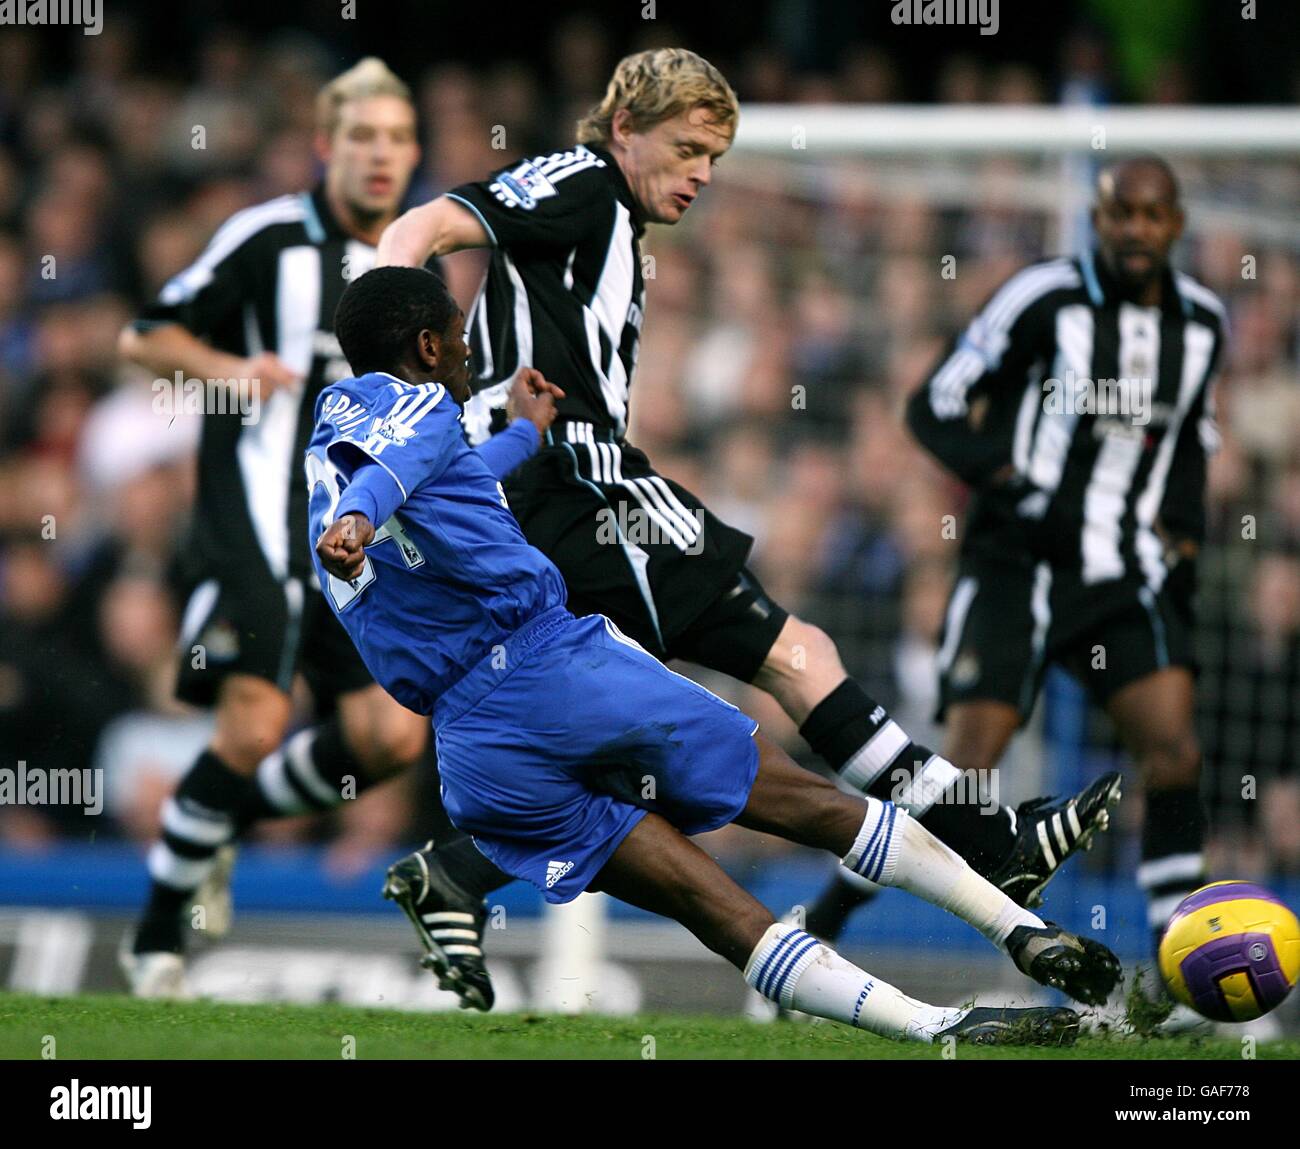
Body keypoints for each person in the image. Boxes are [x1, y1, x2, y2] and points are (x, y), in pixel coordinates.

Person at [373, 48, 1119, 1006]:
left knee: (610, 742)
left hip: (570, 495)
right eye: (686, 150)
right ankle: (993, 845)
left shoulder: (615, 216)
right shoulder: (578, 179)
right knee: (791, 658)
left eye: (715, 159)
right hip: (577, 491)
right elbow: (427, 224)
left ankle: (457, 874)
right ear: (624, 128)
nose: (701, 177)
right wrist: (393, 361)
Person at [308, 264, 1120, 1045]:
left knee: (709, 905)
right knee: (807, 801)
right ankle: (1020, 929)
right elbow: (396, 471)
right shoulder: (405, 411)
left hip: (475, 752)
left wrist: (522, 436)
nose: (468, 354)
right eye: (457, 339)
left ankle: (933, 1027)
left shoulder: (329, 450)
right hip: (550, 672)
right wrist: (358, 517)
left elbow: (442, 484)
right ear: (423, 346)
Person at [117, 58, 557, 997]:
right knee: (254, 716)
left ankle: (222, 818)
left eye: (398, 138)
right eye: (362, 136)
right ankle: (155, 938)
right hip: (259, 519)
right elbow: (144, 334)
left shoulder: (413, 269)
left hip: (364, 538)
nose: (381, 154)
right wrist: (233, 371)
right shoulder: (267, 237)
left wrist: (511, 429)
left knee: (387, 741)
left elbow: (428, 412)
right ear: (327, 145)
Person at [903, 156, 1225, 972]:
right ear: (1098, 216)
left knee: (1176, 752)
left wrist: (1183, 538)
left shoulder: (1203, 325)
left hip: (1119, 574)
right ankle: (831, 921)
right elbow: (935, 401)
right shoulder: (1042, 296)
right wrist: (1011, 483)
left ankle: (1178, 964)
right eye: (1122, 213)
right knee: (964, 778)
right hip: (1014, 562)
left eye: (1154, 216)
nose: (1137, 230)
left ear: (1176, 224)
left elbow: (1192, 438)